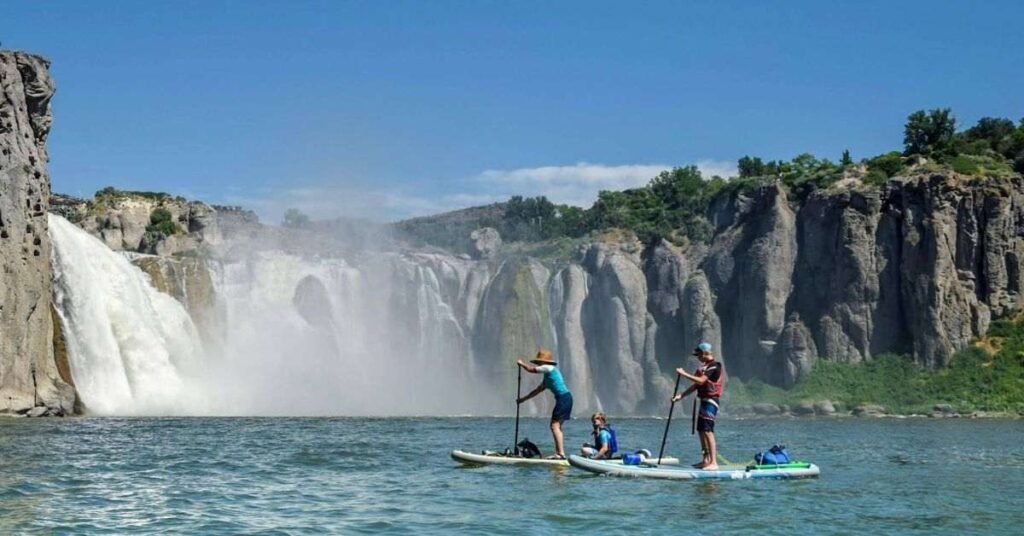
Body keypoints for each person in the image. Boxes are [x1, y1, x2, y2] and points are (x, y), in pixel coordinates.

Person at [670, 342, 725, 470]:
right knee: (701, 430)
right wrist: (681, 396)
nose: (698, 358)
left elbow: (701, 381)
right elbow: (696, 386)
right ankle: (705, 460)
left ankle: (714, 462)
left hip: (711, 401)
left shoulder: (714, 366)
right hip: (704, 400)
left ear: (706, 353)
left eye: (699, 354)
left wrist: (683, 374)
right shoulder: (703, 368)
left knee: (708, 431)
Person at [517, 349, 573, 459]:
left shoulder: (549, 368)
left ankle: (560, 454)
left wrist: (521, 363)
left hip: (563, 398)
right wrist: (522, 399)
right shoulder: (548, 379)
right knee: (557, 426)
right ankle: (560, 453)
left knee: (554, 426)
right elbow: (536, 391)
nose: (538, 364)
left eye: (539, 362)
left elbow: (531, 369)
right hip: (566, 398)